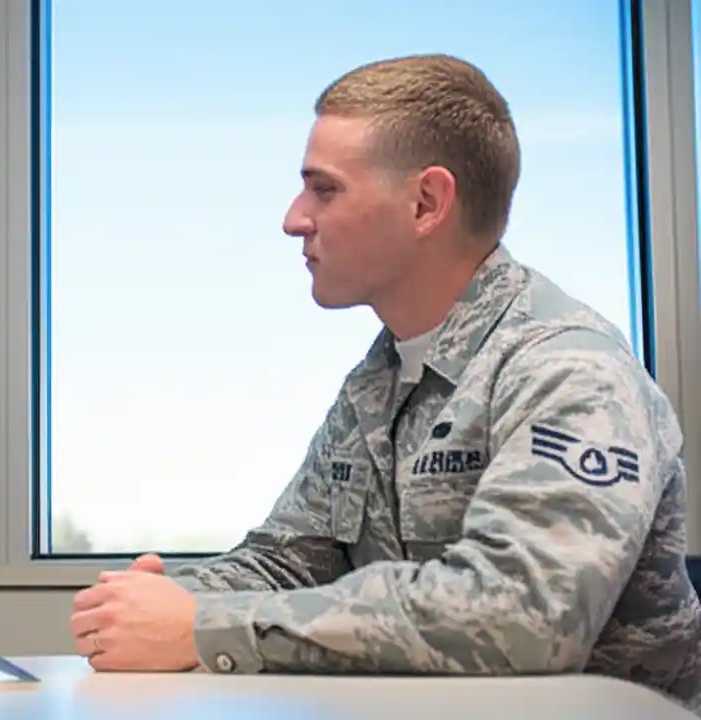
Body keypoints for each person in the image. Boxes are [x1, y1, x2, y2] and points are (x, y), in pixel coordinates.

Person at [68, 54, 701, 710]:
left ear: (426, 203)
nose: (293, 218)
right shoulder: (380, 382)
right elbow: (290, 561)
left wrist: (204, 627)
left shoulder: (567, 369)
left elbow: (520, 616)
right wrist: (163, 603)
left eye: (324, 189)